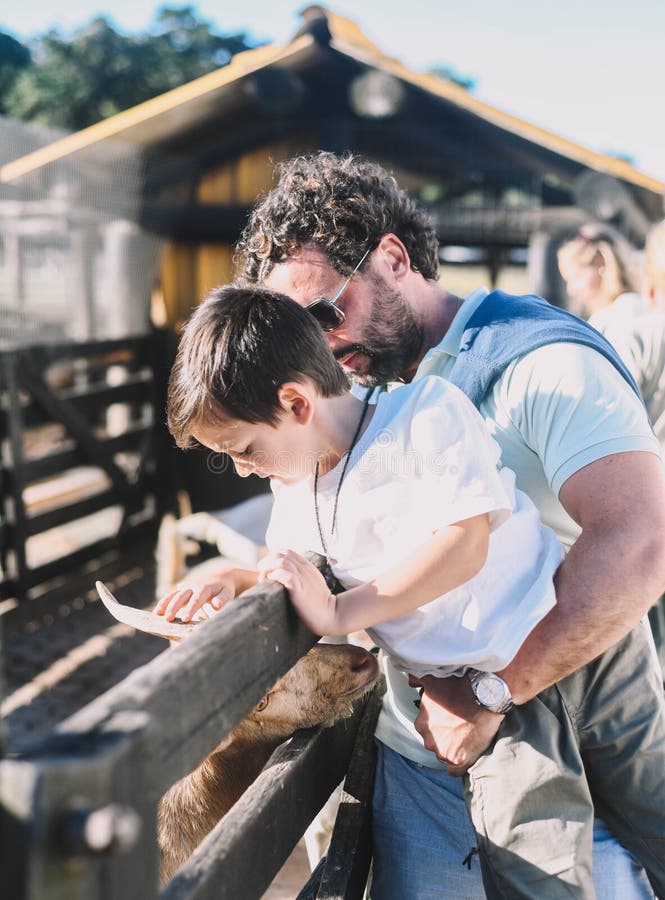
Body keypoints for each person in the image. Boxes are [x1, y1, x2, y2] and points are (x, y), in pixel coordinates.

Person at [233, 152, 665, 899]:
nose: (319, 346)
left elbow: (641, 542)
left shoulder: (540, 362)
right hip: (424, 747)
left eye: (326, 314)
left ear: (392, 259)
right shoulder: (359, 395)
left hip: (563, 729)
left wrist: (492, 693)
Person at [557, 223, 647, 327]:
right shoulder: (604, 314)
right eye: (568, 281)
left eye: (577, 277)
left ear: (601, 263)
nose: (571, 290)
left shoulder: (627, 308)